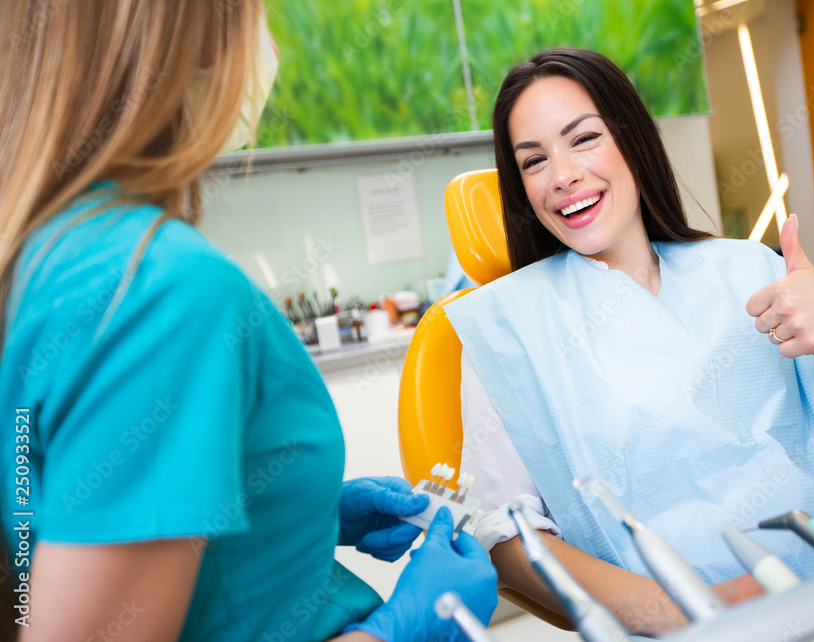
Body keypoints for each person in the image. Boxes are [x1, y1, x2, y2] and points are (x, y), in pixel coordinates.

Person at [0, 2, 496, 640]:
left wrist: (285, 511)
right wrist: (403, 631)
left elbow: (42, 528)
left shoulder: (49, 256)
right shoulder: (159, 289)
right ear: (196, 33)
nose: (270, 46)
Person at [444, 48, 814, 636]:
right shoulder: (507, 327)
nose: (562, 176)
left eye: (583, 140)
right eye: (533, 162)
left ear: (632, 139)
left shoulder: (748, 270)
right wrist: (687, 608)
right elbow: (506, 535)